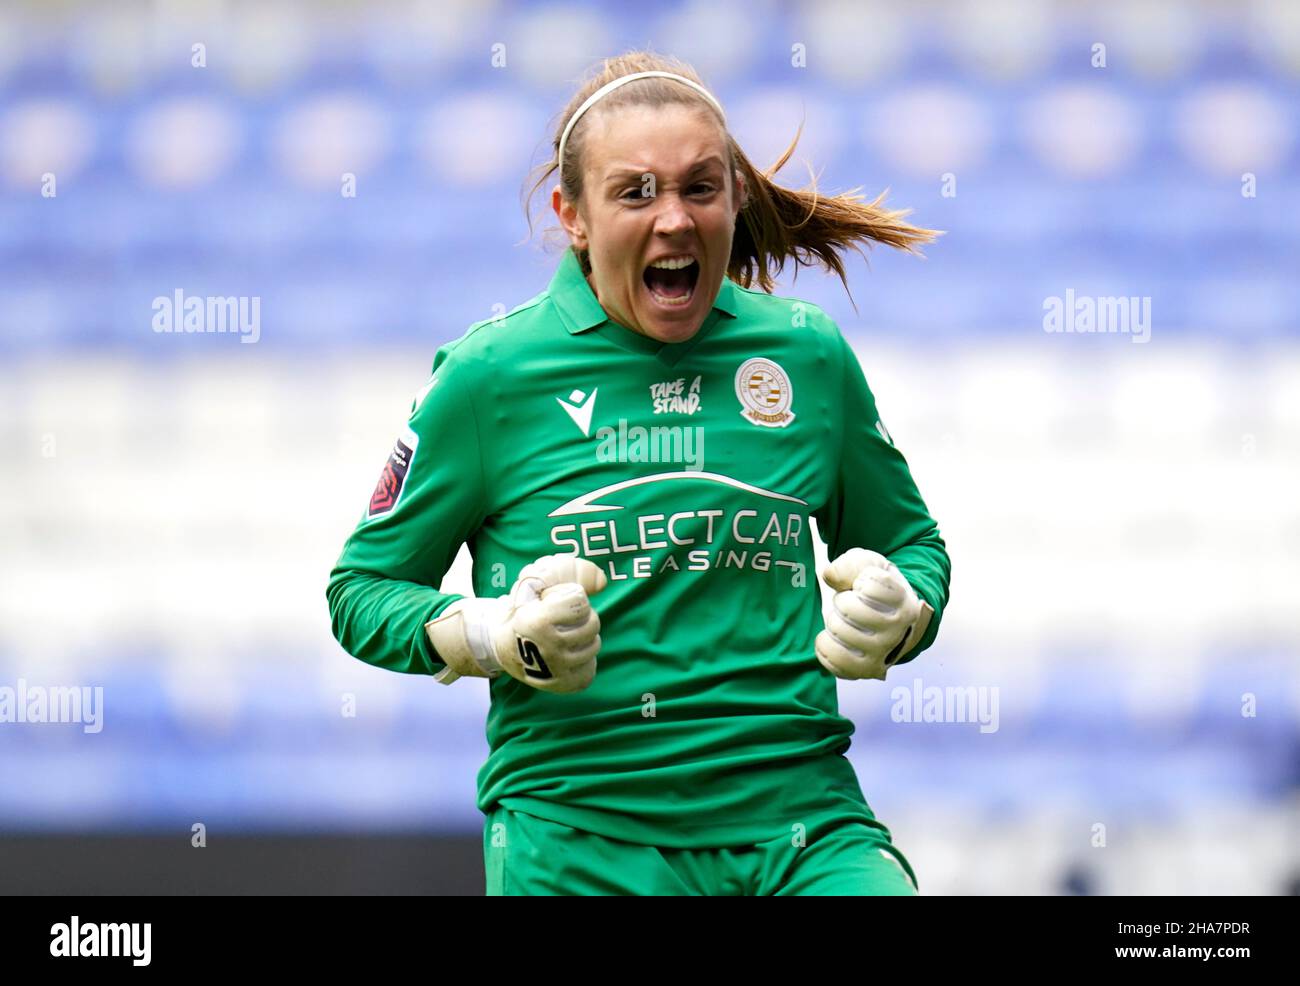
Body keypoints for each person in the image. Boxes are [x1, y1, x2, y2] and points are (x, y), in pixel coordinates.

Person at [326, 50, 951, 896]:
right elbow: (361, 590)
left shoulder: (807, 355)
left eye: (700, 187)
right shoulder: (488, 376)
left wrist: (903, 613)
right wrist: (489, 635)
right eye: (635, 192)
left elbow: (909, 545)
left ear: (734, 194)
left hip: (800, 831)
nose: (674, 220)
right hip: (580, 839)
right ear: (572, 215)